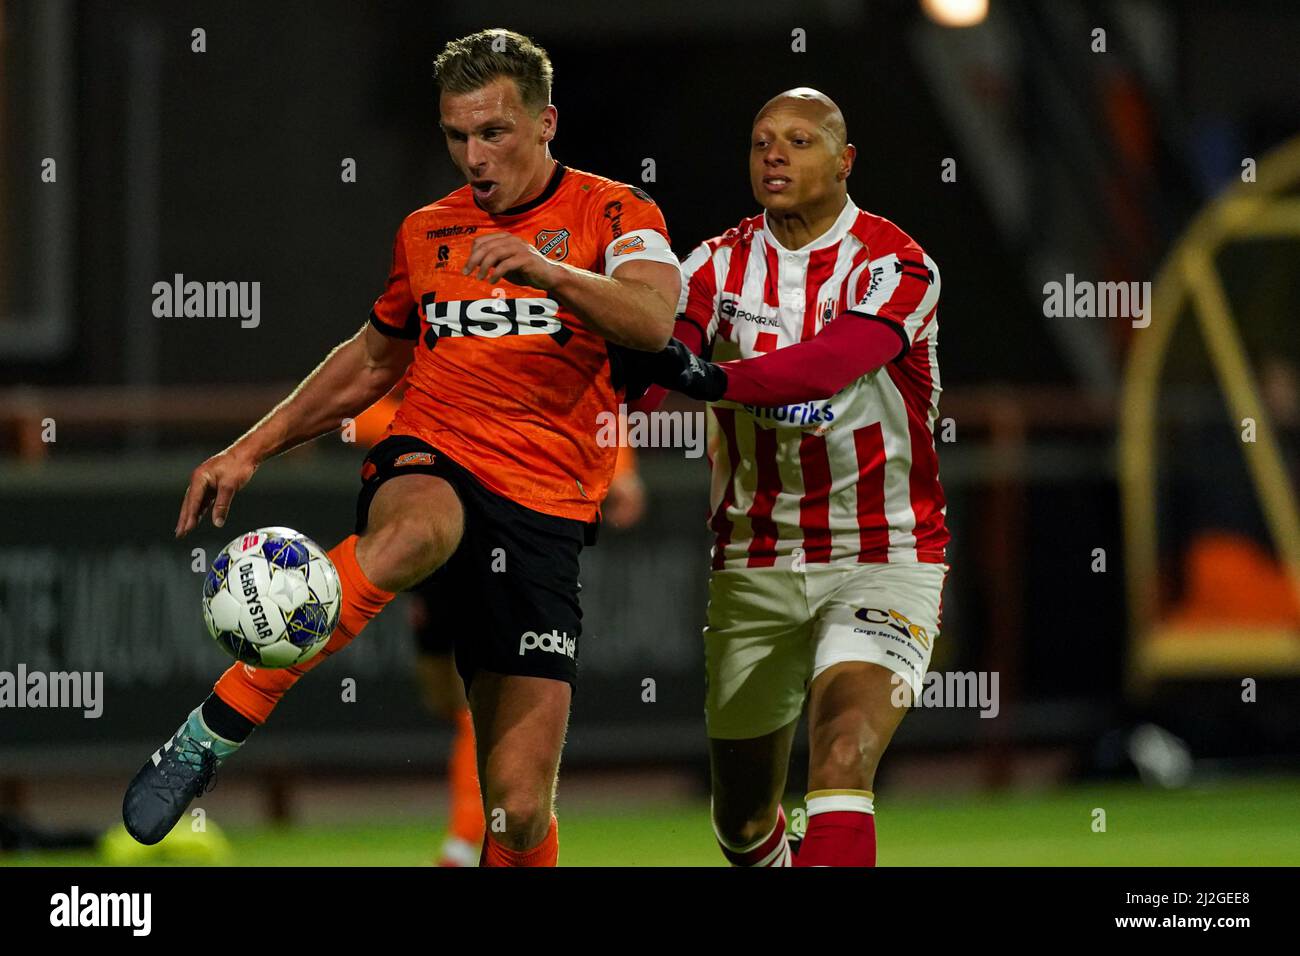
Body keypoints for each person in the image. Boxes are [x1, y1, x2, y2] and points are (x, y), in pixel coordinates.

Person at [122, 28, 679, 867]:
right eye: (457, 136)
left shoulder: (615, 213)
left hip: (545, 512)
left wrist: (552, 274)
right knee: (415, 531)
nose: (473, 157)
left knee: (518, 815)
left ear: (545, 123)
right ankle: (215, 727)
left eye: (492, 133)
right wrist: (249, 450)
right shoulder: (428, 231)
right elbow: (376, 357)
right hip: (436, 452)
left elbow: (652, 318)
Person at [632, 88, 949, 866]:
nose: (774, 153)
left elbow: (833, 361)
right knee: (741, 821)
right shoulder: (711, 263)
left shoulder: (897, 264)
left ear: (845, 163)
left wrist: (713, 380)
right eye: (761, 140)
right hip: (754, 561)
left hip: (884, 554)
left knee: (842, 757)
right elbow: (651, 369)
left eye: (800, 141)